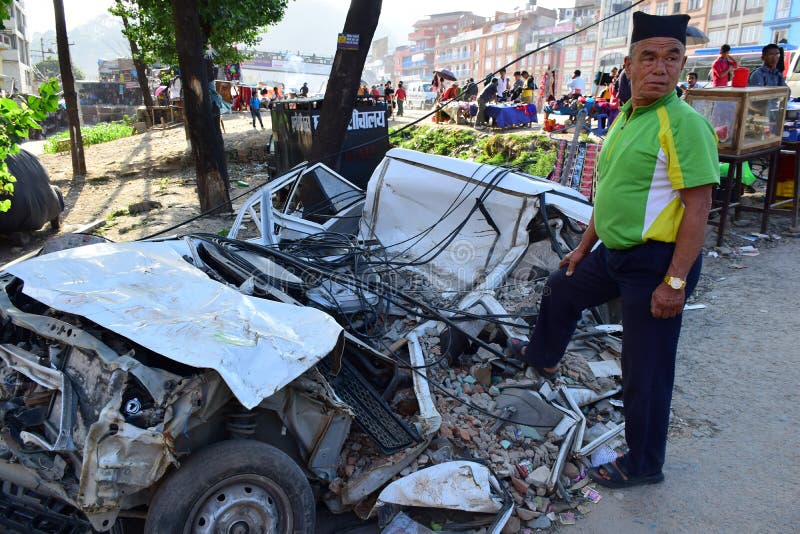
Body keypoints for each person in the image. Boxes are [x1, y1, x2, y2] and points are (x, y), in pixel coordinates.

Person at [512, 11, 719, 490]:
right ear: (629, 65)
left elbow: (698, 207)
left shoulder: (683, 124)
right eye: (649, 57)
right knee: (561, 286)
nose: (661, 68)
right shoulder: (628, 115)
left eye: (672, 58)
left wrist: (675, 282)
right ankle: (544, 355)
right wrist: (584, 248)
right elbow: (608, 192)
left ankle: (644, 464)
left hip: (658, 262)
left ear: (683, 65)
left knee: (645, 366)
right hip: (612, 250)